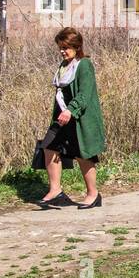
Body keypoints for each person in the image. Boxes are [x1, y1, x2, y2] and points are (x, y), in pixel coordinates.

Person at [37, 29, 106, 210]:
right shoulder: (63, 65)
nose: (62, 51)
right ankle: (56, 191)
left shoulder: (84, 65)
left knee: (83, 155)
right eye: (60, 47)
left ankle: (93, 194)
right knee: (49, 147)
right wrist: (61, 113)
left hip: (80, 118)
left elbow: (85, 93)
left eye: (66, 47)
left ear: (77, 47)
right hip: (62, 118)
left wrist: (71, 110)